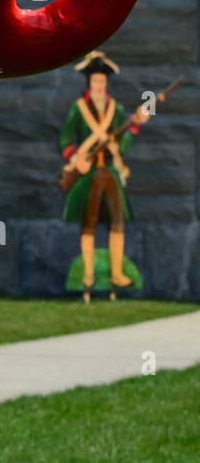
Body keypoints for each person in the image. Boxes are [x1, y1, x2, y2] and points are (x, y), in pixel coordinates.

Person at [59, 52, 149, 302]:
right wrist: (75, 159)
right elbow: (66, 139)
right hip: (88, 174)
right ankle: (88, 275)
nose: (99, 86)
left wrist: (135, 124)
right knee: (88, 226)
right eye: (95, 82)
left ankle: (116, 274)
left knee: (117, 223)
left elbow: (125, 143)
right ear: (89, 83)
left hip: (109, 171)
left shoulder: (116, 110)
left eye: (102, 82)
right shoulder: (79, 110)